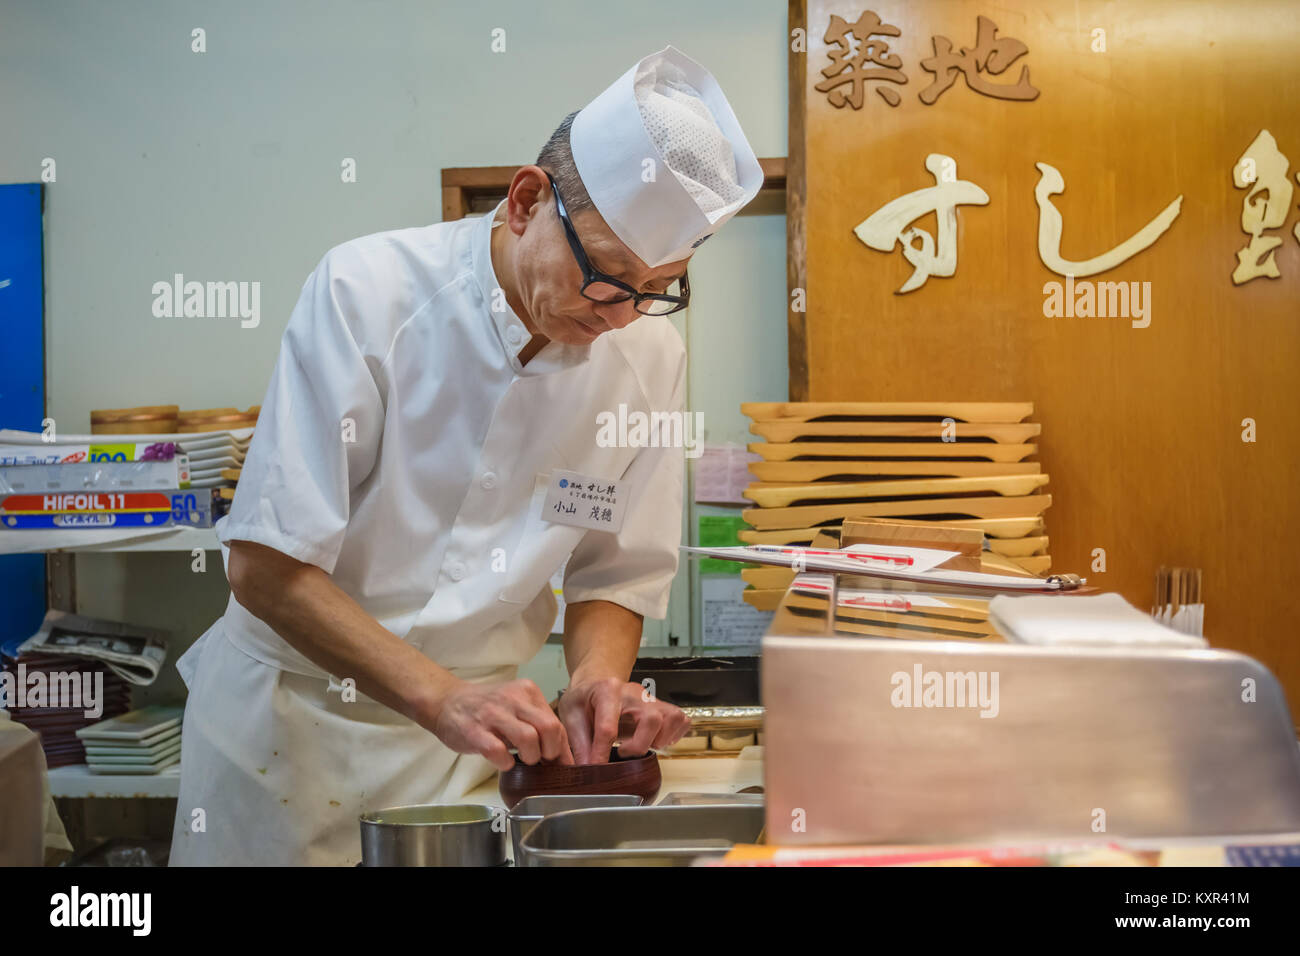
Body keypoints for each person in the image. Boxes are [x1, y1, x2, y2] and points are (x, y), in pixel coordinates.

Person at [169, 45, 763, 865]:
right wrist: (441, 696)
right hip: (288, 735)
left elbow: (613, 573)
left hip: (471, 753)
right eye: (606, 276)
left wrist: (596, 681)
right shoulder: (366, 293)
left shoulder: (650, 358)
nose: (623, 314)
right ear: (526, 200)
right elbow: (265, 567)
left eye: (657, 287)